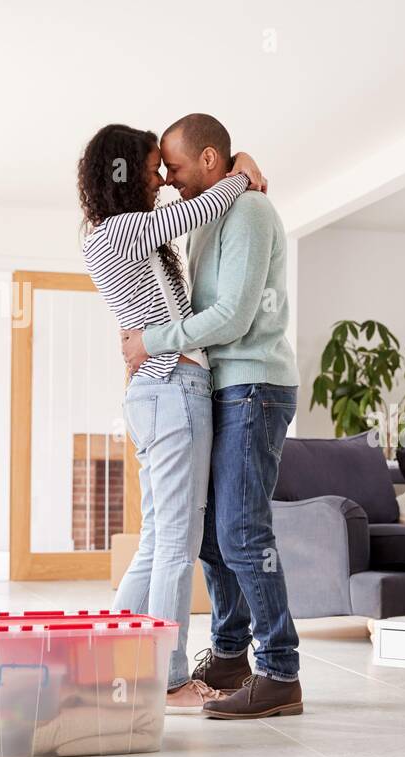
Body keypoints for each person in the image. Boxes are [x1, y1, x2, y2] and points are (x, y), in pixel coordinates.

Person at [77, 123, 266, 713]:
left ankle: (111, 663)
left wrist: (239, 164)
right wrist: (239, 172)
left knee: (159, 539)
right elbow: (202, 208)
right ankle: (169, 679)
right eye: (152, 167)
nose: (161, 178)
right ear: (123, 172)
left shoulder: (110, 233)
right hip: (173, 390)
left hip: (154, 394)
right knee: (177, 546)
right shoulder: (124, 229)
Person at [121, 113, 302, 719]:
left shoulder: (249, 213)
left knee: (243, 531)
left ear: (207, 159)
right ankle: (229, 653)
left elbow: (234, 318)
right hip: (221, 385)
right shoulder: (207, 216)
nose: (168, 181)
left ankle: (280, 669)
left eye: (173, 166)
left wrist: (154, 340)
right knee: (206, 534)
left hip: (255, 384)